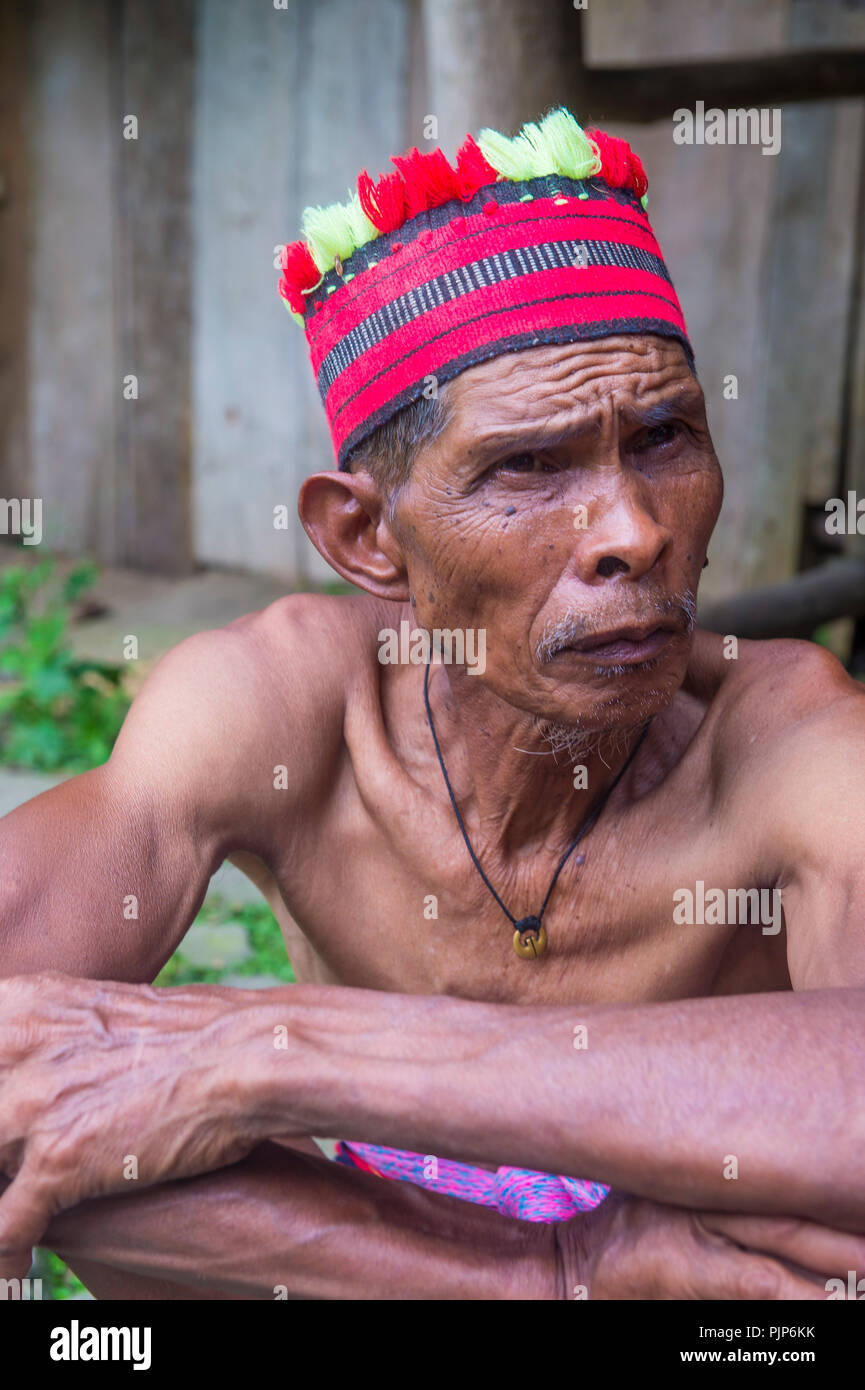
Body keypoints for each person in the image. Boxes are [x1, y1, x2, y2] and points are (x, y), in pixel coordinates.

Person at [1, 111, 863, 1301]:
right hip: (416, 1282)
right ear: (364, 537)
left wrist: (267, 1049)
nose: (635, 531)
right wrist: (551, 1273)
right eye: (527, 468)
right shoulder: (286, 704)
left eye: (664, 438)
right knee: (74, 1108)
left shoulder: (791, 739)